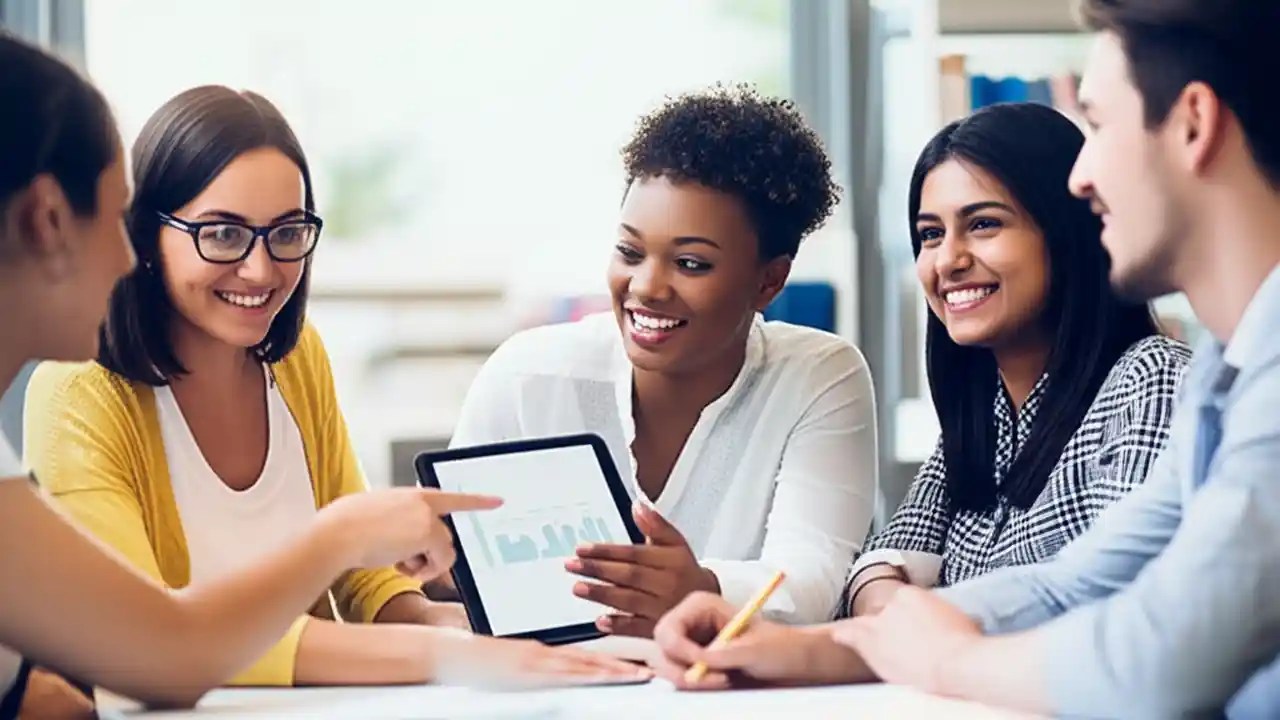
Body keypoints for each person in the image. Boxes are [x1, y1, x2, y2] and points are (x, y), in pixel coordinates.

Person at [652, 1, 1280, 716]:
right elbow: (1069, 583)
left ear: (1194, 124)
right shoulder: (1226, 374)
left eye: (1099, 125)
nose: (1083, 178)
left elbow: (1153, 658)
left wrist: (944, 655)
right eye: (928, 234)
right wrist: (802, 651)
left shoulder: (1180, 378)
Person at [0, 31, 639, 715]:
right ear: (48, 221)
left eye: (287, 233)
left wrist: (481, 631)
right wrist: (377, 568)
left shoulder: (296, 359)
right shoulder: (78, 393)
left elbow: (356, 590)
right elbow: (161, 650)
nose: (261, 267)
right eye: (117, 220)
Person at [450, 85, 877, 636]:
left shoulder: (820, 376)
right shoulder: (527, 377)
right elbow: (453, 569)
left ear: (768, 281)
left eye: (691, 263)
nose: (646, 288)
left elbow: (813, 583)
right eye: (630, 252)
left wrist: (701, 588)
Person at [839, 102, 1189, 618]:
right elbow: (876, 566)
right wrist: (896, 603)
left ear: (1064, 234)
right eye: (931, 234)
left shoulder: (1150, 380)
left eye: (982, 224)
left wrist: (913, 616)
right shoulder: (986, 414)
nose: (949, 260)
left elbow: (1116, 604)